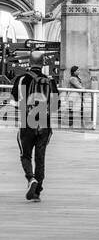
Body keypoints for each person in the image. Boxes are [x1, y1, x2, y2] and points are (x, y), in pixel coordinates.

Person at [12, 64, 58, 201]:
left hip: (27, 122)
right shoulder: (49, 80)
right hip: (44, 123)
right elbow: (56, 105)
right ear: (43, 63)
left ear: (30, 63)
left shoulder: (20, 79)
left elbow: (14, 101)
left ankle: (31, 178)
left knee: (25, 155)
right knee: (40, 157)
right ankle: (37, 192)